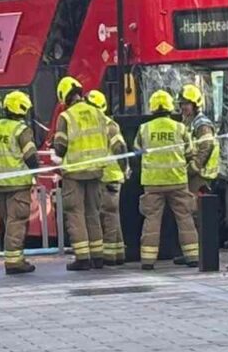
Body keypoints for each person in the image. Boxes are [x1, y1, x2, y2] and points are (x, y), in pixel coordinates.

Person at [51, 77, 122, 271]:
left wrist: (54, 153)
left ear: (64, 96)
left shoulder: (66, 117)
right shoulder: (98, 114)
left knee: (75, 214)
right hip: (96, 172)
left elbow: (61, 147)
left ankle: (83, 257)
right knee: (93, 213)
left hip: (74, 174)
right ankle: (97, 256)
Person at [135, 91, 199, 270]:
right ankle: (193, 256)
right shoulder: (180, 128)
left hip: (152, 182)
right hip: (177, 180)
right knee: (185, 218)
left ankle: (148, 260)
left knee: (152, 221)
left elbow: (137, 150)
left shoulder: (144, 129)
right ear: (171, 107)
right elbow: (190, 152)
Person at [0, 90, 40, 275]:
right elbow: (31, 156)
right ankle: (14, 262)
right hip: (19, 183)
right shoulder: (22, 130)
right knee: (17, 222)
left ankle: (14, 258)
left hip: (0, 183)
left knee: (7, 220)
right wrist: (38, 173)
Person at [87, 89, 127, 266]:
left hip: (106, 177)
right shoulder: (110, 125)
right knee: (113, 215)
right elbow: (121, 149)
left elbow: (120, 149)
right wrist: (125, 170)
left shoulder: (100, 126)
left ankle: (109, 255)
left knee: (107, 216)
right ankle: (118, 253)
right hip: (112, 175)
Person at [179, 84, 220, 197]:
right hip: (193, 174)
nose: (183, 107)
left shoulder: (202, 124)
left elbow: (206, 148)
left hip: (200, 175)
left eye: (186, 103)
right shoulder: (188, 122)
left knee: (195, 207)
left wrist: (193, 168)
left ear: (195, 105)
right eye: (182, 103)